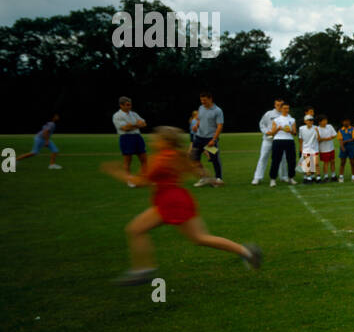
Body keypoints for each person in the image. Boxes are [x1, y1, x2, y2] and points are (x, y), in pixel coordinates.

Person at [100, 125, 262, 286]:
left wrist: (117, 172)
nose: (152, 142)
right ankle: (247, 252)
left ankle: (143, 270)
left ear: (165, 141)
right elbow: (198, 171)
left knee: (136, 229)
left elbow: (140, 182)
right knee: (198, 238)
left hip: (170, 202)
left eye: (156, 139)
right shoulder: (177, 155)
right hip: (178, 199)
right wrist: (209, 178)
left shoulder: (160, 159)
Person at [190, 91, 224, 187]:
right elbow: (200, 119)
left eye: (205, 100)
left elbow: (219, 126)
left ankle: (219, 179)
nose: (203, 102)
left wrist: (214, 139)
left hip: (210, 140)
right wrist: (196, 125)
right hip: (199, 138)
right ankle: (204, 178)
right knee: (194, 158)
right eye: (201, 100)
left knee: (214, 159)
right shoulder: (201, 108)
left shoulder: (217, 111)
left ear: (210, 99)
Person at [112, 96, 148, 183]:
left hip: (137, 137)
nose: (129, 107)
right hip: (126, 138)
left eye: (130, 105)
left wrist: (132, 125)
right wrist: (136, 124)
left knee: (144, 159)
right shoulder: (117, 116)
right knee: (128, 161)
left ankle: (144, 177)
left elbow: (144, 124)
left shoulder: (134, 114)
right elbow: (125, 128)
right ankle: (129, 180)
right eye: (127, 105)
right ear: (121, 105)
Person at [252, 99, 283, 185]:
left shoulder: (285, 115)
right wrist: (266, 132)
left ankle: (283, 176)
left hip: (280, 140)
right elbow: (262, 124)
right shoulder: (269, 114)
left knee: (282, 159)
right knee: (263, 157)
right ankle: (257, 177)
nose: (279, 107)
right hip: (268, 139)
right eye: (278, 105)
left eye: (281, 105)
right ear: (275, 105)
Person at [267, 103, 298, 187]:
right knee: (275, 160)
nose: (286, 110)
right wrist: (278, 128)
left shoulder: (292, 119)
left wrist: (290, 131)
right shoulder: (276, 120)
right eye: (284, 108)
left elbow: (295, 133)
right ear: (281, 109)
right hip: (278, 141)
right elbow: (272, 133)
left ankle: (291, 178)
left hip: (289, 141)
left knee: (291, 160)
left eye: (287, 108)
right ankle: (273, 179)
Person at [298, 114, 320, 184]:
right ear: (305, 121)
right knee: (308, 163)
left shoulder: (316, 128)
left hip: (314, 148)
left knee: (316, 163)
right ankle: (309, 178)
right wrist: (301, 148)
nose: (310, 122)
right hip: (306, 148)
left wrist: (317, 131)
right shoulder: (301, 128)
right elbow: (300, 139)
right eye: (309, 120)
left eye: (311, 120)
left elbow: (319, 139)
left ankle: (318, 178)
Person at [316, 115, 338, 182]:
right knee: (326, 163)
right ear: (319, 122)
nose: (325, 122)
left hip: (331, 147)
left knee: (332, 161)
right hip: (323, 149)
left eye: (326, 120)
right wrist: (326, 139)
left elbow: (334, 135)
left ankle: (333, 175)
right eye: (323, 121)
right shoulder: (317, 129)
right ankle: (326, 177)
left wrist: (330, 138)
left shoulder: (329, 126)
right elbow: (318, 139)